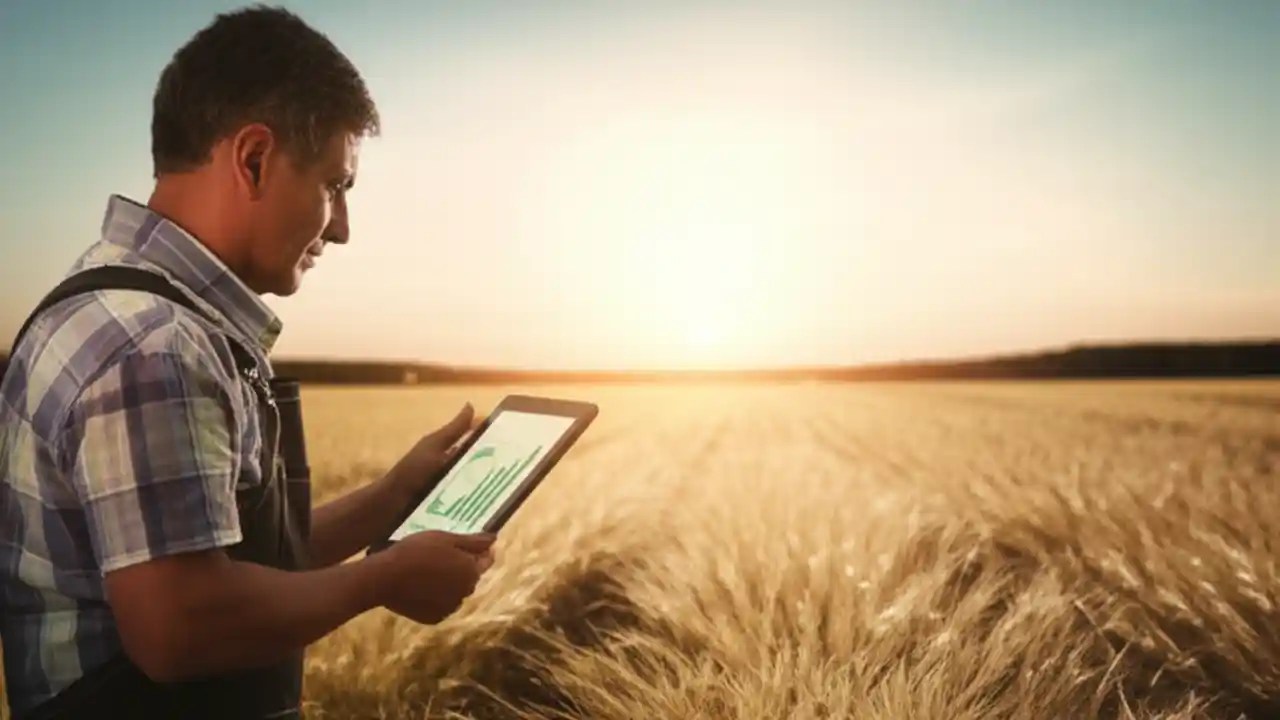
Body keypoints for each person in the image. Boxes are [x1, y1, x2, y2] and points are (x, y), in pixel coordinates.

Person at [0, 5, 496, 718]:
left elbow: (215, 556)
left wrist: (392, 497)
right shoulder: (156, 344)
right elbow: (180, 625)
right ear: (254, 158)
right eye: (335, 185)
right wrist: (381, 581)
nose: (344, 228)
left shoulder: (114, 297)